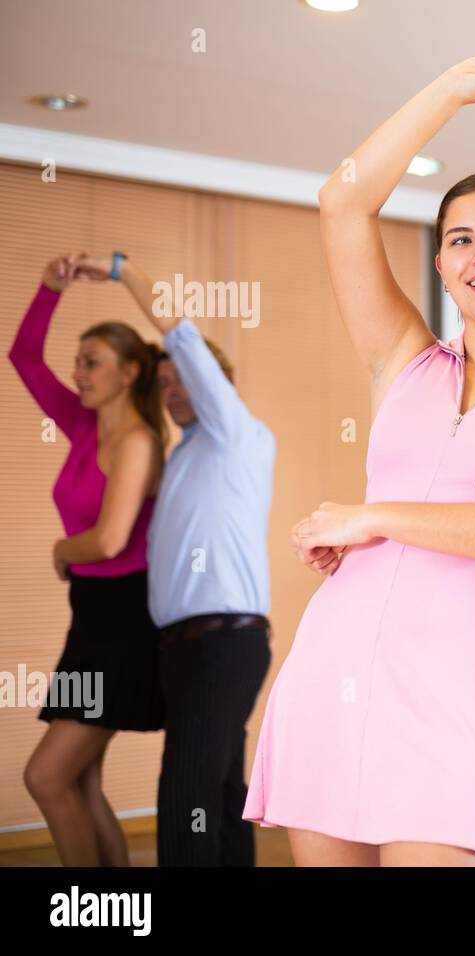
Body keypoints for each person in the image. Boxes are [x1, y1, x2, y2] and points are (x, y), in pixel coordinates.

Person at [244, 50, 475, 867]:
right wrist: (452, 90)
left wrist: (372, 516)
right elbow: (343, 199)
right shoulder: (402, 358)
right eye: (461, 240)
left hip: (455, 692)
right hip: (336, 668)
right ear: (443, 265)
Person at [64, 252, 276, 866]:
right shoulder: (180, 456)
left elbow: (178, 332)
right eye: (162, 384)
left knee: (185, 792)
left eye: (182, 377)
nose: (172, 388)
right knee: (216, 788)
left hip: (222, 641)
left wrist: (120, 270)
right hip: (184, 645)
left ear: (214, 379)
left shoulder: (237, 434)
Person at [10, 254, 167, 865]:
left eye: (92, 363)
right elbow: (23, 359)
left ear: (130, 372)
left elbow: (107, 541)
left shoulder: (138, 442)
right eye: (77, 362)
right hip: (91, 619)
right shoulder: (80, 426)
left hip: (125, 625)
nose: (78, 373)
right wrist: (49, 288)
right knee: (81, 781)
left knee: (46, 777)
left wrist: (58, 550)